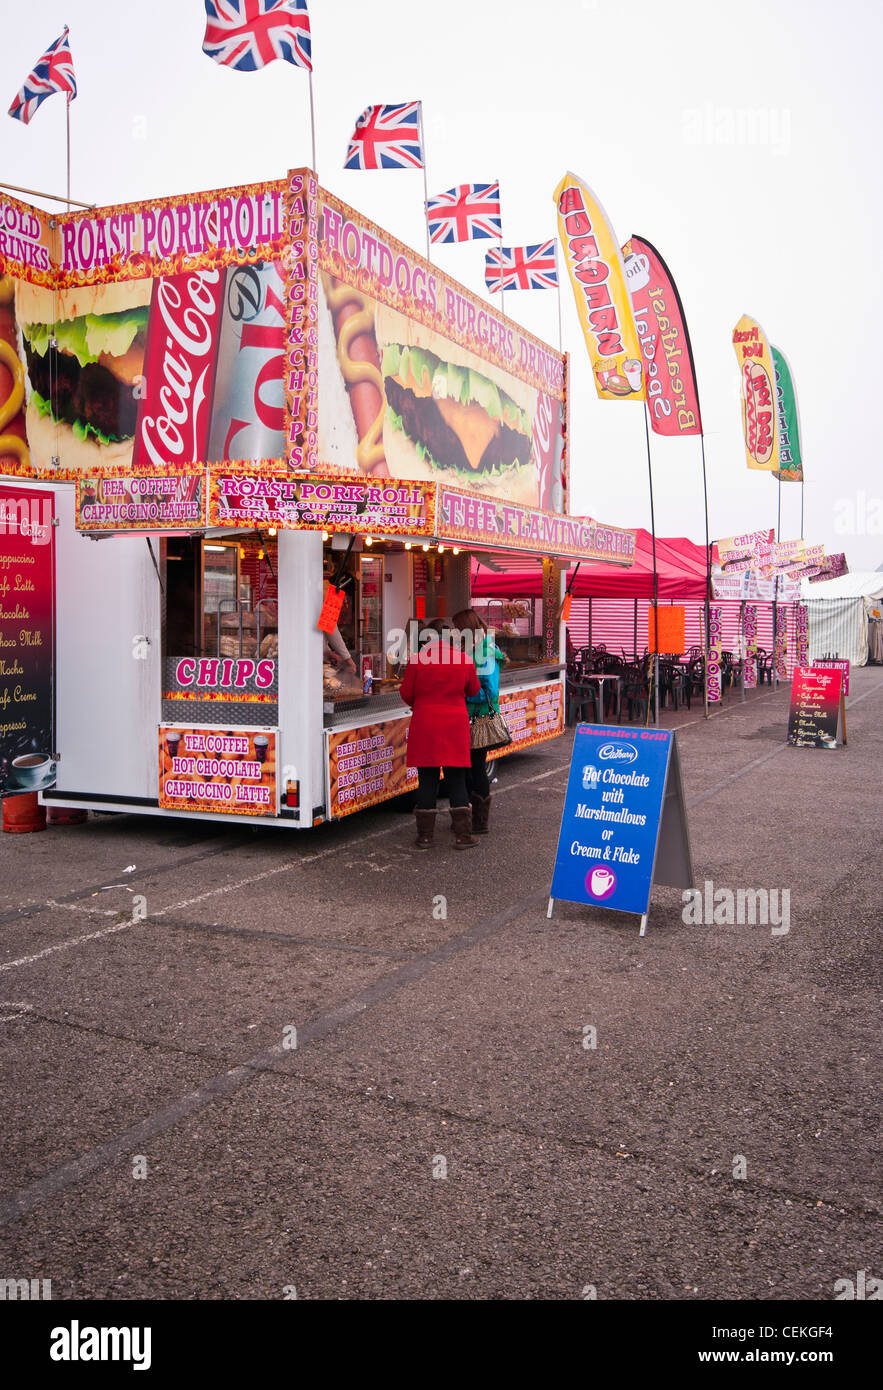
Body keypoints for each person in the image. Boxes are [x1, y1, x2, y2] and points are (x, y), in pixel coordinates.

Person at [399, 620, 480, 850]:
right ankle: (463, 836)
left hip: (425, 723)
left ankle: (425, 836)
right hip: (455, 725)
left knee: (427, 779)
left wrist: (422, 703)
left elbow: (406, 692)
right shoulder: (465, 659)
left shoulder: (417, 660)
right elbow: (473, 690)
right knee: (456, 778)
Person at [452, 609, 506, 836]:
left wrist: (461, 693)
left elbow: (490, 691)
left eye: (456, 627)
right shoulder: (472, 649)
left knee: (475, 769)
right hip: (466, 716)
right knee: (464, 769)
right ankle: (466, 819)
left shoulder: (486, 651)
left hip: (479, 717)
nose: (454, 631)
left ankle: (479, 821)